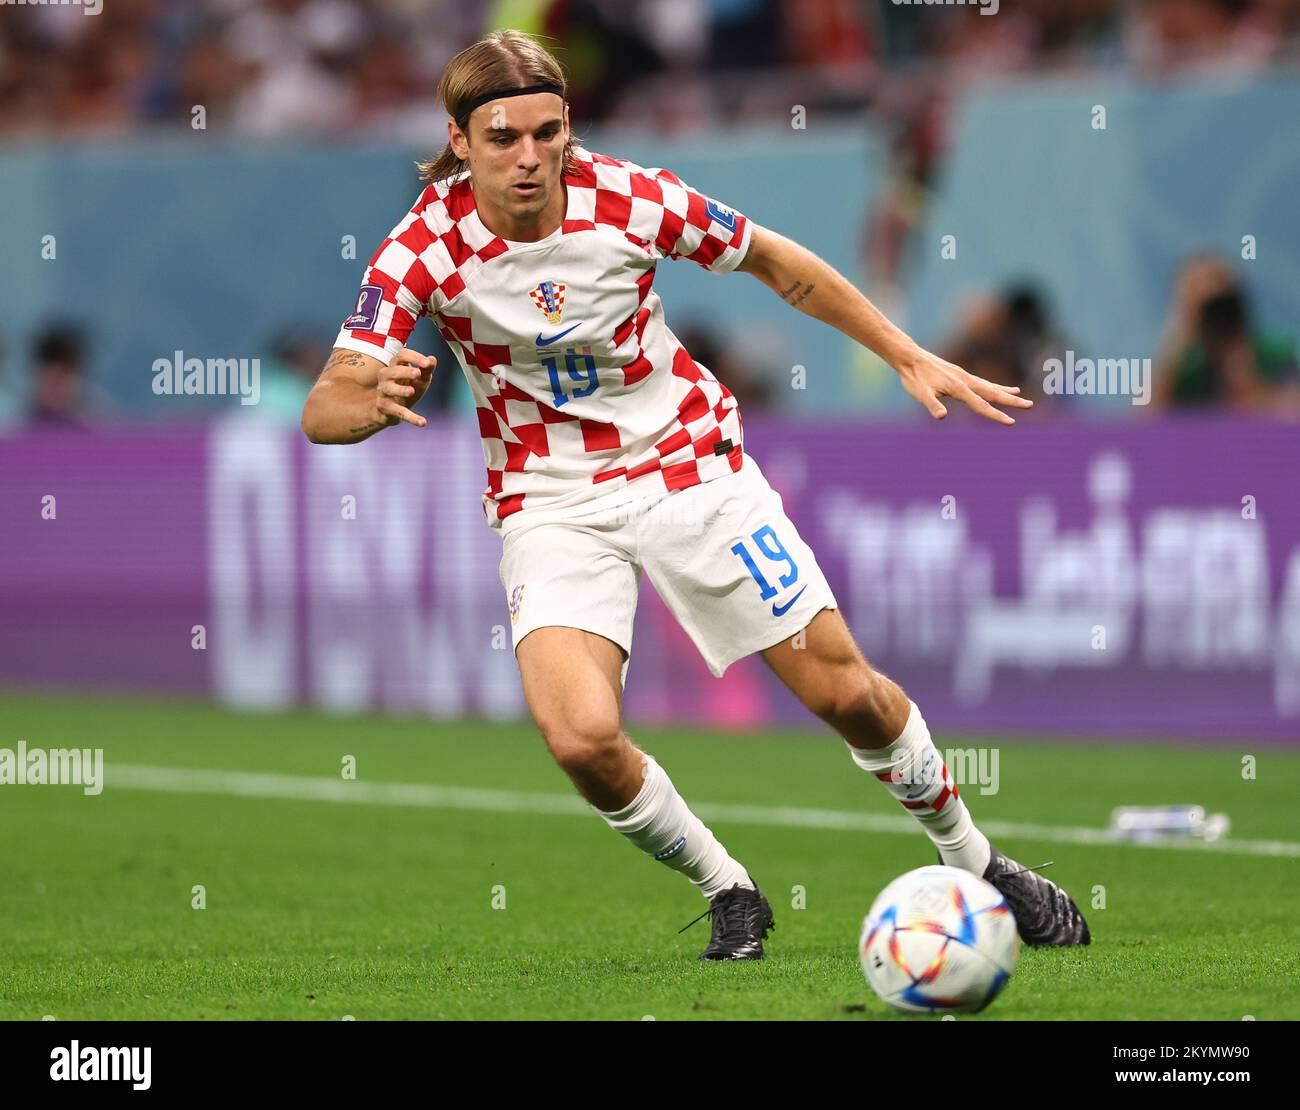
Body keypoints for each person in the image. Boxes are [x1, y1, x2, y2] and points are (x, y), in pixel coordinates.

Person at [301, 30, 1089, 960]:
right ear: (459, 141)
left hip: (687, 466)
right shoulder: (421, 249)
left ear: (567, 129)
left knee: (847, 694)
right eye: (503, 138)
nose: (528, 158)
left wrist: (905, 352)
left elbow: (779, 264)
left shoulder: (630, 199)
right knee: (581, 739)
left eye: (545, 134)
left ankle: (980, 863)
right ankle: (730, 889)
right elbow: (325, 404)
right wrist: (367, 408)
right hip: (548, 499)